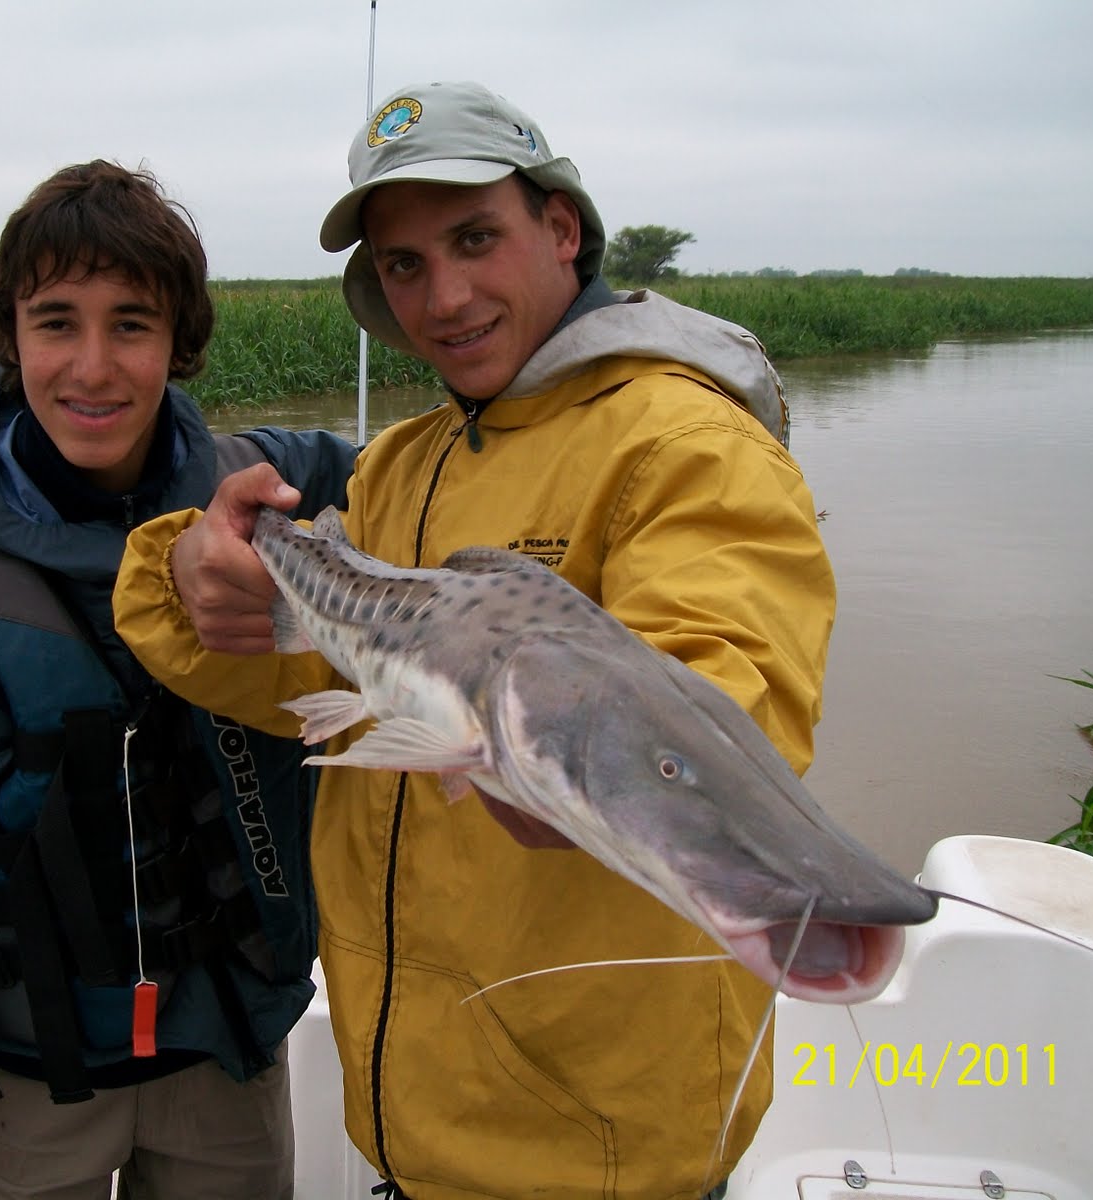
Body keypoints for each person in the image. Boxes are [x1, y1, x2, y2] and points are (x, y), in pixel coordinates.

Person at [113, 82, 837, 1198]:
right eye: (403, 264)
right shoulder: (404, 464)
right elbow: (323, 685)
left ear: (562, 228)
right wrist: (187, 575)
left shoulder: (687, 444)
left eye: (474, 238)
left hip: (593, 1147)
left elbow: (728, 702)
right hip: (412, 1114)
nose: (444, 297)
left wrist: (559, 766)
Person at [0, 160, 355, 1199]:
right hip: (33, 1074)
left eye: (131, 324)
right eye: (56, 322)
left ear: (179, 342)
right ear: (12, 337)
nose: (93, 367)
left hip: (228, 1047)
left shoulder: (269, 502)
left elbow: (449, 473)